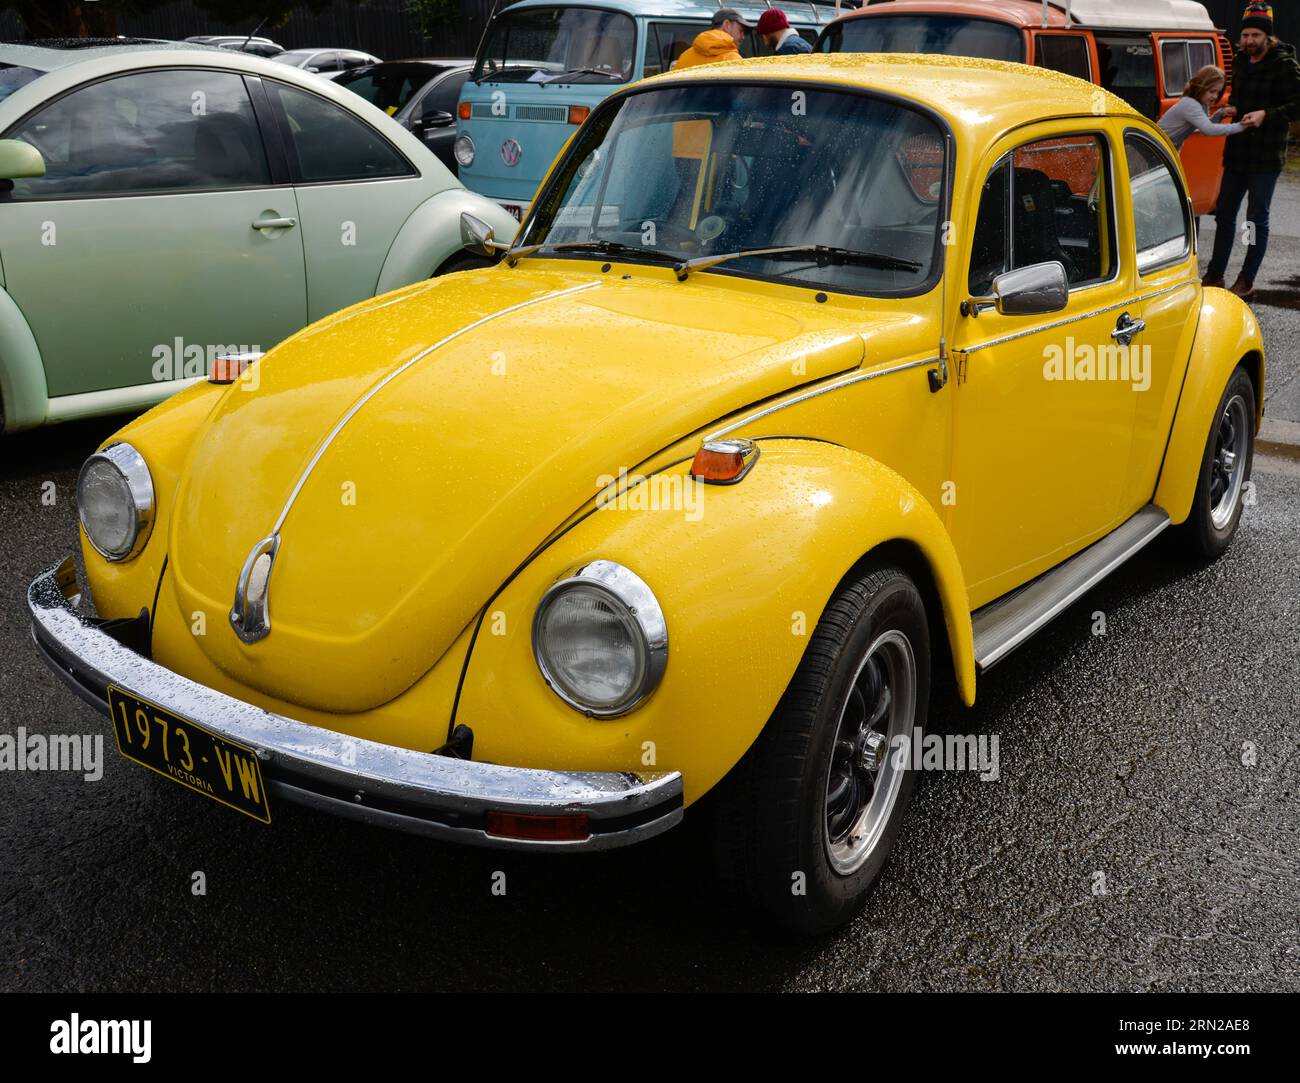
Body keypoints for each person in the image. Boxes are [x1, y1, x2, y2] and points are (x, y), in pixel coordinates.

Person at [1203, 3, 1300, 299]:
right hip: (1237, 153)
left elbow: (1296, 106)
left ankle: (1246, 278)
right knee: (1225, 215)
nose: (1248, 41)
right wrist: (1236, 108)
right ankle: (1215, 273)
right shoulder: (1241, 61)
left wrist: (1265, 115)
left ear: (1267, 36)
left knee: (1254, 220)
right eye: (1245, 34)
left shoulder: (1284, 64)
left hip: (1266, 157)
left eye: (1255, 35)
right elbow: (1243, 97)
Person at [1158, 65, 1251, 150]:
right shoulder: (1190, 104)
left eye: (1218, 92)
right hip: (1155, 147)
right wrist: (1241, 126)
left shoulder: (1201, 104)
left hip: (1163, 148)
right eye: (1212, 91)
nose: (1215, 96)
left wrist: (1220, 114)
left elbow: (1203, 128)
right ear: (1200, 87)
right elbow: (1208, 130)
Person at [673, 8, 751, 69]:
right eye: (740, 30)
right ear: (727, 25)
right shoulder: (732, 60)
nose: (743, 37)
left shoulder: (684, 57)